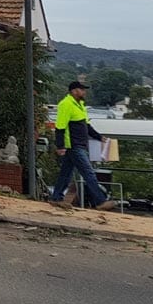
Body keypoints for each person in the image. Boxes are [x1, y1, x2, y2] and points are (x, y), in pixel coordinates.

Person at [50, 80, 116, 211]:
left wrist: (99, 137)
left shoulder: (80, 105)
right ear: (74, 91)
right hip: (73, 145)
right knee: (88, 172)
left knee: (66, 173)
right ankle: (100, 201)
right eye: (82, 89)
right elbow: (60, 126)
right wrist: (60, 145)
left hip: (78, 145)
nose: (84, 92)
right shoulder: (66, 104)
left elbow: (86, 125)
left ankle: (56, 197)